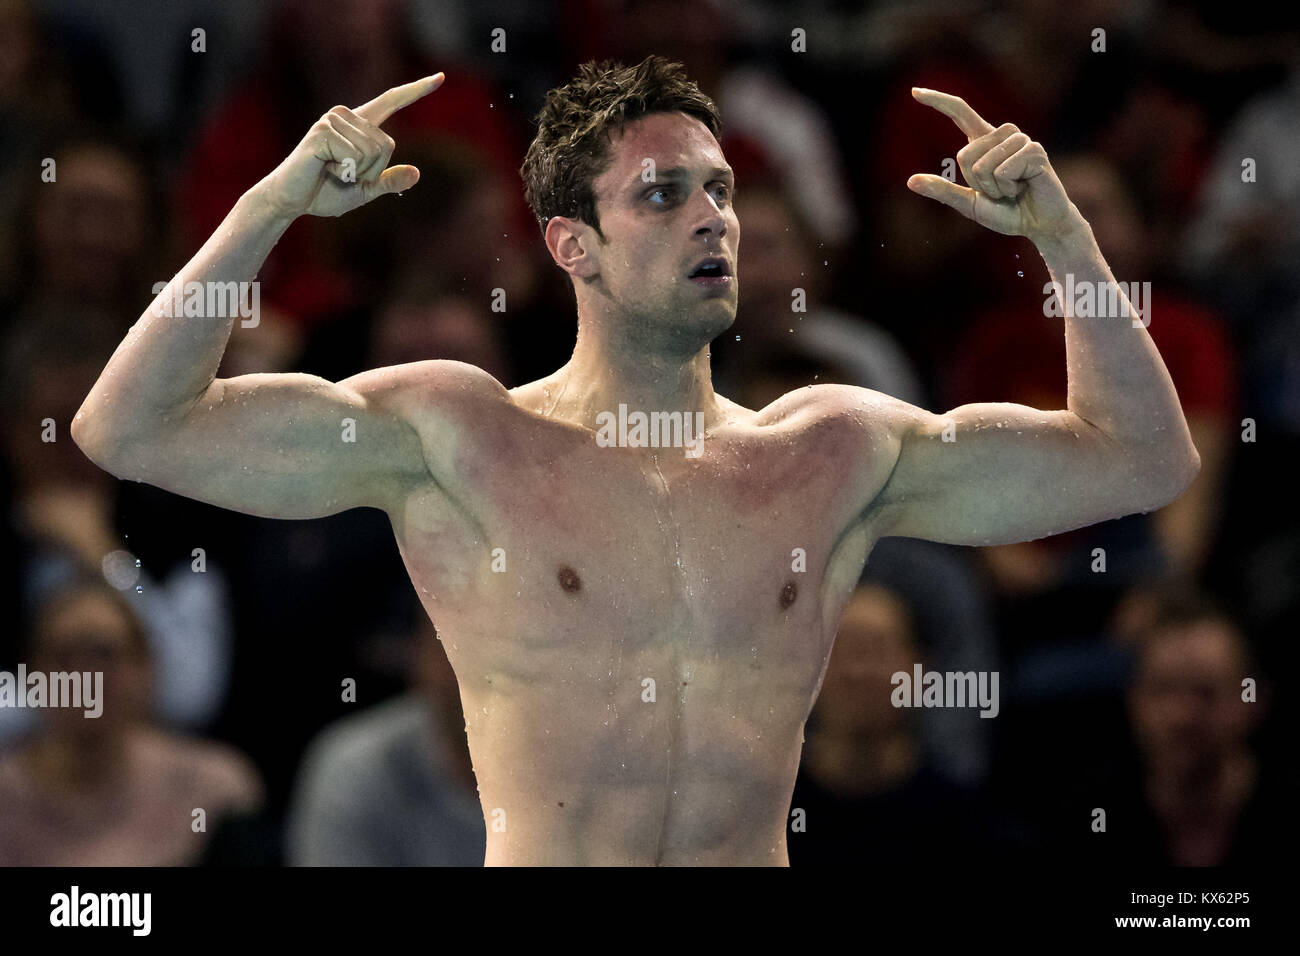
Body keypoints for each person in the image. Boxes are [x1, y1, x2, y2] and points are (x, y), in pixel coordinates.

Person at [72, 57, 1200, 865]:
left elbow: (1140, 460)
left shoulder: (834, 447)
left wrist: (1061, 237)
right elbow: (128, 429)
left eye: (717, 188)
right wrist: (271, 206)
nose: (712, 217)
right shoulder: (459, 435)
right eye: (663, 195)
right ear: (575, 246)